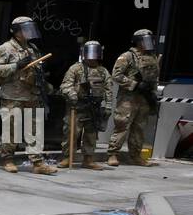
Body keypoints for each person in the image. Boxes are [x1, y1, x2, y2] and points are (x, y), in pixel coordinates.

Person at [0, 16, 56, 174]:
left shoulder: (33, 49)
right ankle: (8, 159)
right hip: (13, 95)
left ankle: (37, 163)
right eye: (25, 29)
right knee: (11, 128)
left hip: (32, 95)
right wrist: (15, 65)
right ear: (16, 32)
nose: (28, 32)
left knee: (34, 130)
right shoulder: (4, 48)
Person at [108, 28, 161, 167]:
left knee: (139, 127)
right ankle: (113, 154)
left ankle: (136, 156)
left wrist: (153, 95)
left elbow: (154, 78)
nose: (148, 44)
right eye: (145, 40)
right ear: (138, 42)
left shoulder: (153, 57)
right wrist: (134, 84)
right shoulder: (127, 56)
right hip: (128, 98)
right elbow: (116, 75)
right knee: (122, 125)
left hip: (145, 98)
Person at [58, 41, 111, 170]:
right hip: (77, 107)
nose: (92, 57)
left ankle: (88, 159)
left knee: (91, 135)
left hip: (93, 108)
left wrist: (108, 105)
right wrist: (72, 94)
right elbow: (65, 85)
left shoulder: (103, 71)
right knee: (71, 133)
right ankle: (67, 157)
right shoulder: (76, 68)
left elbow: (108, 89)